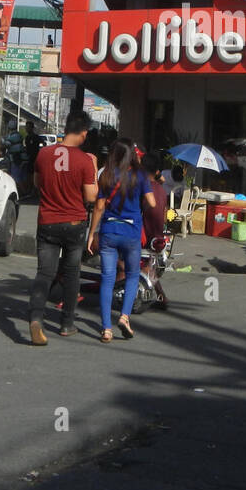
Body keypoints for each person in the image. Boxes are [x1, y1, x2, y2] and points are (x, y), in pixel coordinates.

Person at [29, 111, 98, 345]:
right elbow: (91, 196)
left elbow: (37, 184)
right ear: (84, 133)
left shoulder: (43, 154)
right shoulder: (85, 160)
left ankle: (36, 317)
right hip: (74, 223)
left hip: (47, 221)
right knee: (71, 274)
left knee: (44, 273)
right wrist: (95, 168)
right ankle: (67, 323)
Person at [89, 140, 156, 343]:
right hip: (131, 232)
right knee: (132, 274)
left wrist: (92, 233)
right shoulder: (141, 175)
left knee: (107, 278)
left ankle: (106, 329)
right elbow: (152, 203)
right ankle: (125, 317)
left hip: (109, 231)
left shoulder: (107, 175)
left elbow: (99, 206)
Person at [141, 152, 170, 243]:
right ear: (157, 171)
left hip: (144, 239)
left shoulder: (141, 187)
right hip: (158, 238)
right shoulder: (162, 190)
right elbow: (164, 216)